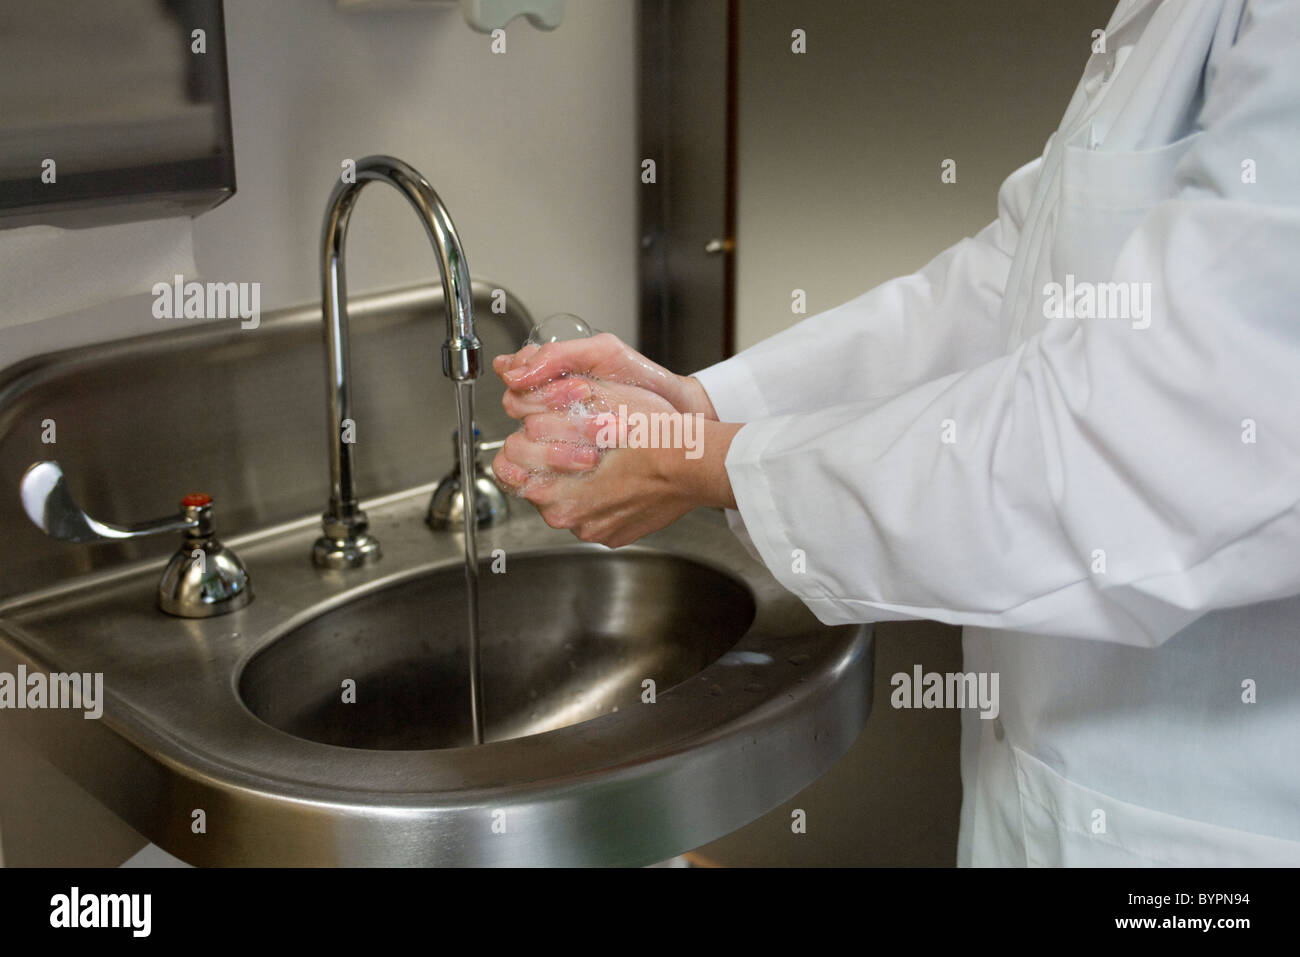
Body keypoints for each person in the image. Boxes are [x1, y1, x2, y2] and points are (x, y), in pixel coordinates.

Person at [491, 0, 1300, 866]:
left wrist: (712, 464)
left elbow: (1132, 445)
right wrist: (706, 409)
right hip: (1052, 799)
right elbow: (1015, 282)